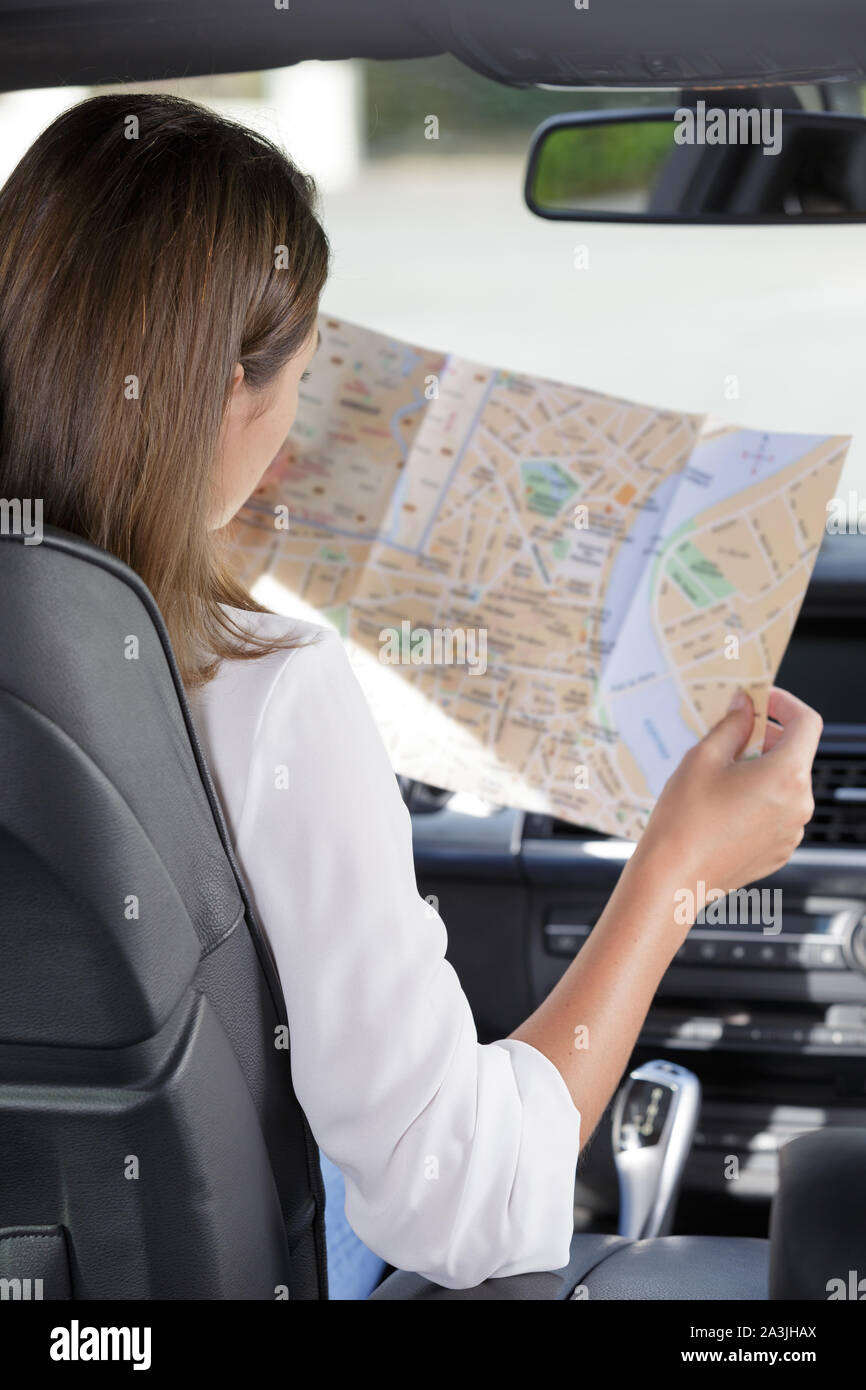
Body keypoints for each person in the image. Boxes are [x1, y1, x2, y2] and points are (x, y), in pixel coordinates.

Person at [0, 92, 821, 1299]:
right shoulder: (272, 693)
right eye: (302, 382)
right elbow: (459, 1200)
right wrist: (678, 871)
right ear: (231, 390)